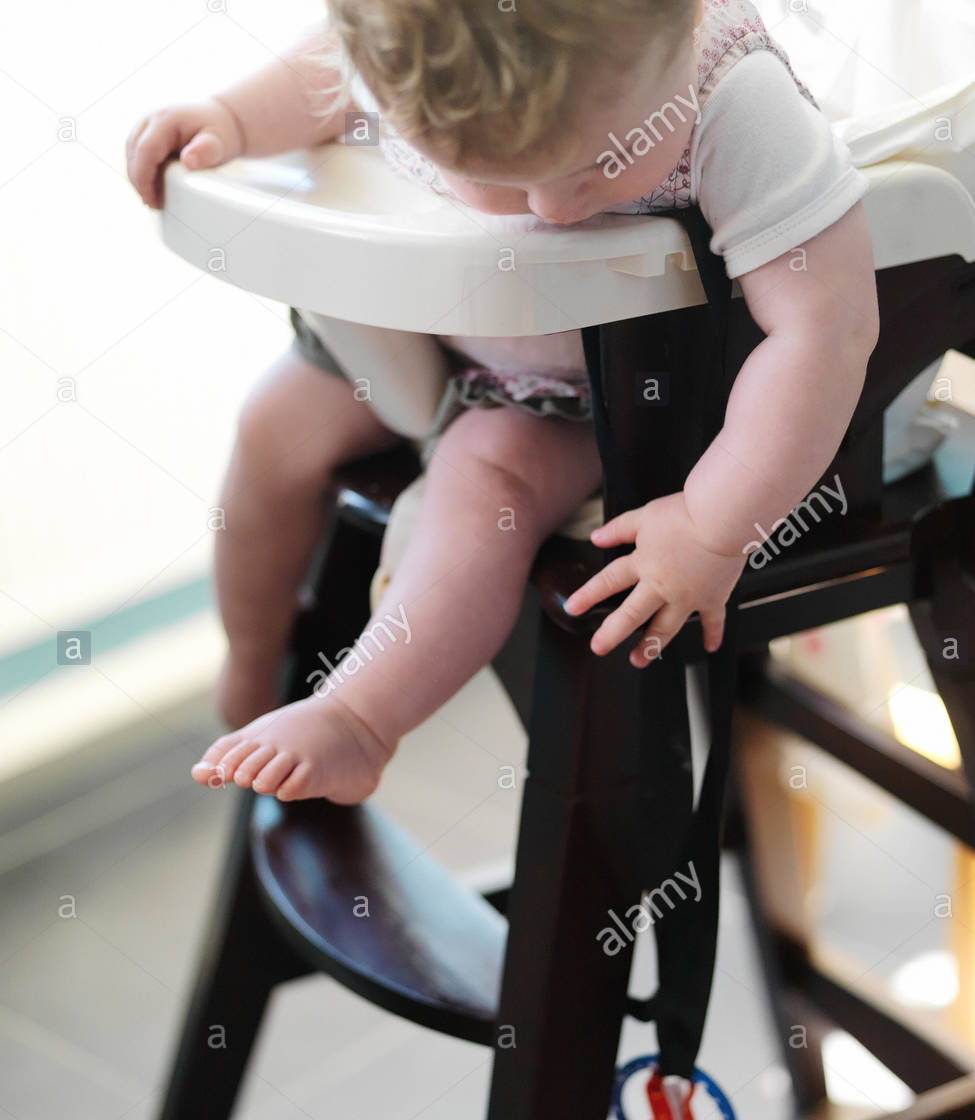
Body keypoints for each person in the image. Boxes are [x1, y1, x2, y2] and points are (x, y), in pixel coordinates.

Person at [125, 0, 878, 804]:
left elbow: (820, 334)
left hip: (597, 398)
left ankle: (357, 719)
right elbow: (326, 70)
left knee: (484, 482)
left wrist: (712, 523)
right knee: (272, 425)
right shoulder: (415, 52)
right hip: (429, 344)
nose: (556, 210)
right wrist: (230, 119)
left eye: (595, 166)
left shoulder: (736, 100)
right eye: (497, 180)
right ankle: (250, 659)